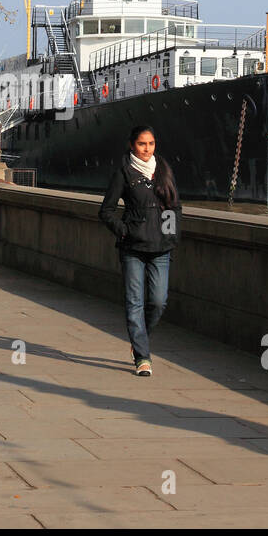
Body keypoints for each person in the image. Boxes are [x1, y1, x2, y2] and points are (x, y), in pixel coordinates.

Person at [98, 125, 181, 377]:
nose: (147, 149)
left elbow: (174, 206)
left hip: (161, 248)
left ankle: (139, 340)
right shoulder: (124, 173)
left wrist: (170, 234)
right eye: (142, 144)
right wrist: (124, 230)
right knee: (134, 301)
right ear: (132, 145)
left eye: (151, 144)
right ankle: (143, 357)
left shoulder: (164, 170)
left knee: (158, 301)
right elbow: (106, 211)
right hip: (132, 247)